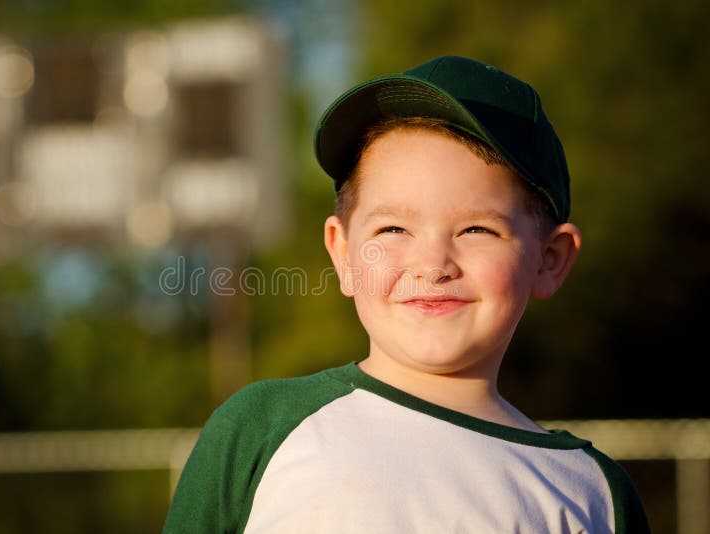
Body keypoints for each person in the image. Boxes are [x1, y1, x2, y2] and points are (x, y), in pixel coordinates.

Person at [162, 55, 650, 533]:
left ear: (549, 259)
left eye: (477, 229)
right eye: (393, 228)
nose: (433, 265)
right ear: (345, 254)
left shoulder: (592, 494)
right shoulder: (262, 429)